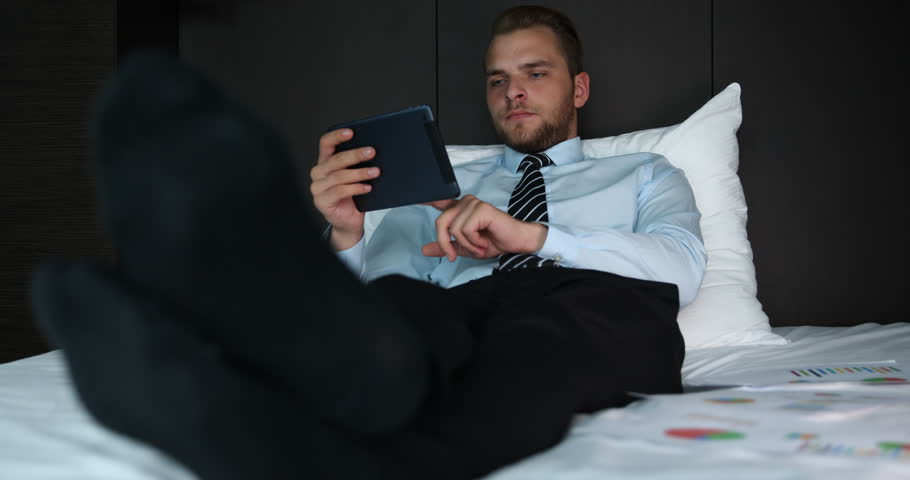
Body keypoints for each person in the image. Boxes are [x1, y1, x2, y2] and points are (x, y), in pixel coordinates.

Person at [30, 5, 705, 480]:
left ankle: (257, 429)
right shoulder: (446, 182)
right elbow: (373, 296)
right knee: (404, 309)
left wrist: (528, 235)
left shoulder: (646, 171)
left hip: (593, 299)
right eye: (497, 79)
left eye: (535, 73)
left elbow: (681, 267)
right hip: (465, 300)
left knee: (539, 346)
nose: (513, 93)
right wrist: (346, 234)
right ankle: (240, 342)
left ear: (578, 86)